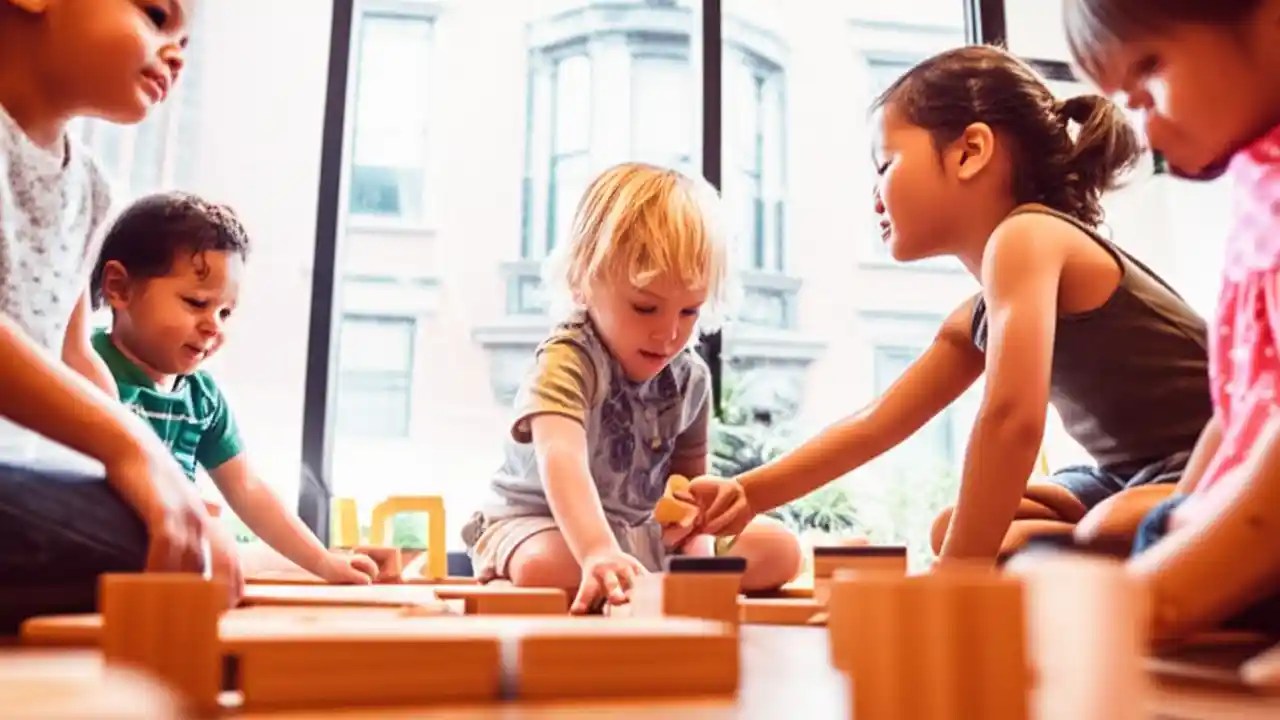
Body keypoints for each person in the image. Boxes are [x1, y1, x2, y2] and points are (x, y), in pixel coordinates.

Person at [685, 45, 1212, 567]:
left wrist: (955, 582)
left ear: (969, 152)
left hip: (1217, 459)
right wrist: (747, 492)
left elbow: (1011, 421)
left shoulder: (1028, 237)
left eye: (885, 164)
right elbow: (873, 425)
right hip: (1126, 478)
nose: (874, 198)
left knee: (1089, 530)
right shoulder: (981, 312)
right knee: (956, 527)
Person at [462, 162, 802, 613]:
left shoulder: (690, 377)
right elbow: (559, 457)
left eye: (689, 312)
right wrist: (597, 549)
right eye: (645, 308)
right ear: (583, 282)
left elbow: (688, 483)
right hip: (541, 523)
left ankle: (634, 580)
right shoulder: (568, 358)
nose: (668, 334)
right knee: (546, 566)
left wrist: (696, 535)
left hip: (638, 531)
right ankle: (610, 574)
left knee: (780, 550)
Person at [0, 0, 241, 633]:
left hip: (19, 480)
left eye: (185, 38)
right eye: (156, 15)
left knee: (184, 545)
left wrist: (162, 486)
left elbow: (74, 356)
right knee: (138, 548)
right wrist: (134, 453)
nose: (176, 52)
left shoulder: (91, 189)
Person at [1063, 0, 1280, 640]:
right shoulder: (1255, 184)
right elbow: (1242, 408)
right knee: (1076, 559)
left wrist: (1152, 599)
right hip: (1248, 508)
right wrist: (1187, 510)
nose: (1146, 130)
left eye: (1150, 73)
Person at [90, 191, 379, 585]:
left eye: (225, 312)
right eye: (196, 302)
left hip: (173, 551)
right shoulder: (86, 366)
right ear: (119, 288)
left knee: (245, 555)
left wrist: (325, 563)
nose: (214, 325)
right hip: (101, 541)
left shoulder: (201, 397)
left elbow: (247, 488)